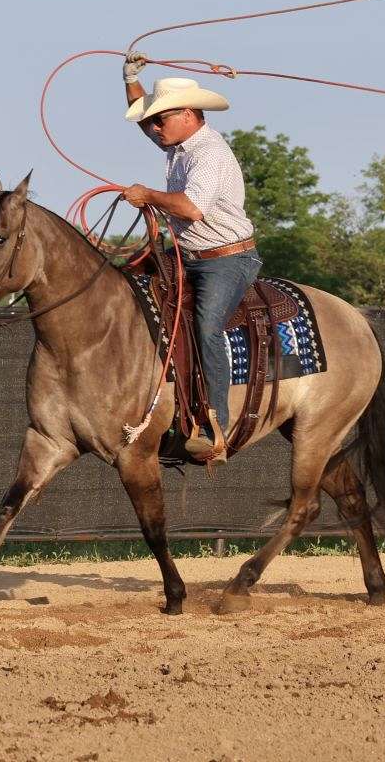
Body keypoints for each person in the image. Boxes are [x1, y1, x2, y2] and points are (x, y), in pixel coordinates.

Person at [122, 53, 262, 463]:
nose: (154, 127)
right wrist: (130, 77)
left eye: (161, 119)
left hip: (227, 260)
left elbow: (191, 208)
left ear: (187, 114)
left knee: (206, 324)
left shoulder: (208, 153)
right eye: (155, 120)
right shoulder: (178, 143)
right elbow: (141, 115)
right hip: (189, 255)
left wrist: (147, 195)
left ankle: (214, 425)